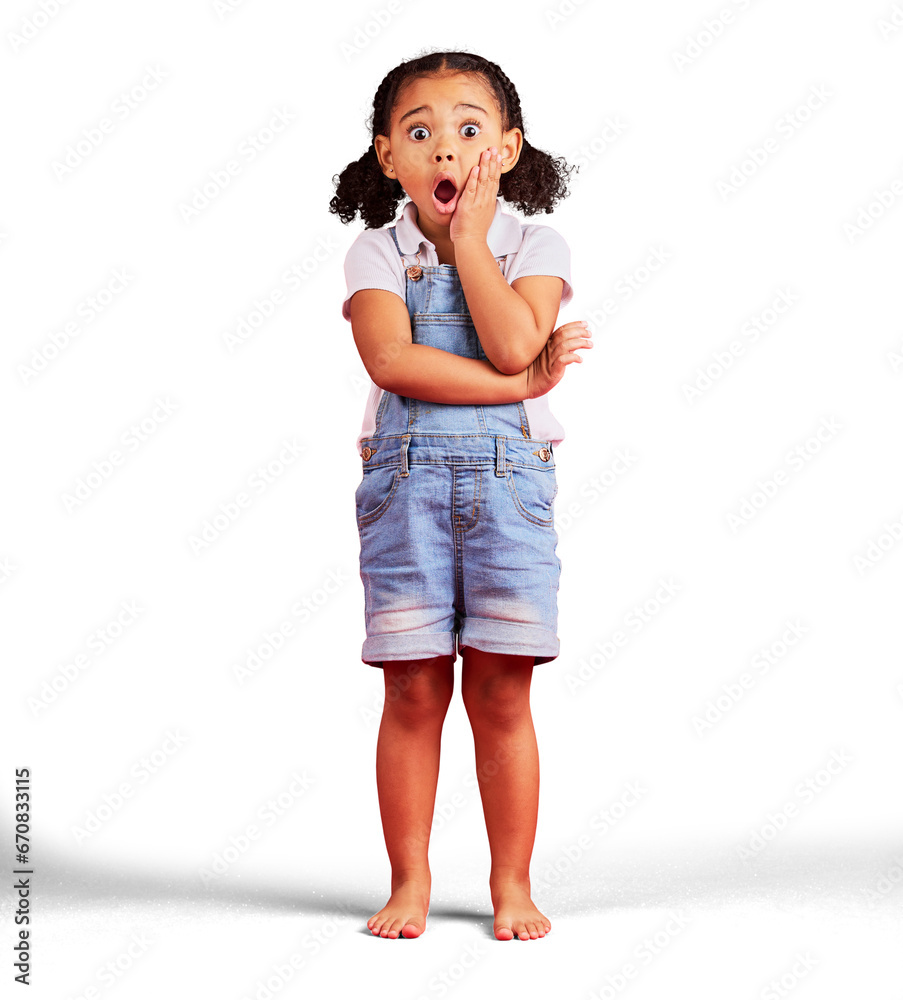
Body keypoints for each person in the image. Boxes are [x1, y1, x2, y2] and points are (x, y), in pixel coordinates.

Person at [329, 49, 592, 942]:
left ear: (508, 150)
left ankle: (511, 885)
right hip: (404, 488)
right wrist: (520, 391)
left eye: (469, 130)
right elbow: (393, 361)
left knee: (502, 689)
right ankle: (409, 882)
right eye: (420, 132)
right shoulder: (376, 250)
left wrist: (470, 243)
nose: (446, 149)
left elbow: (516, 339)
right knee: (409, 690)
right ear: (386, 155)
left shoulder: (533, 245)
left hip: (509, 491)